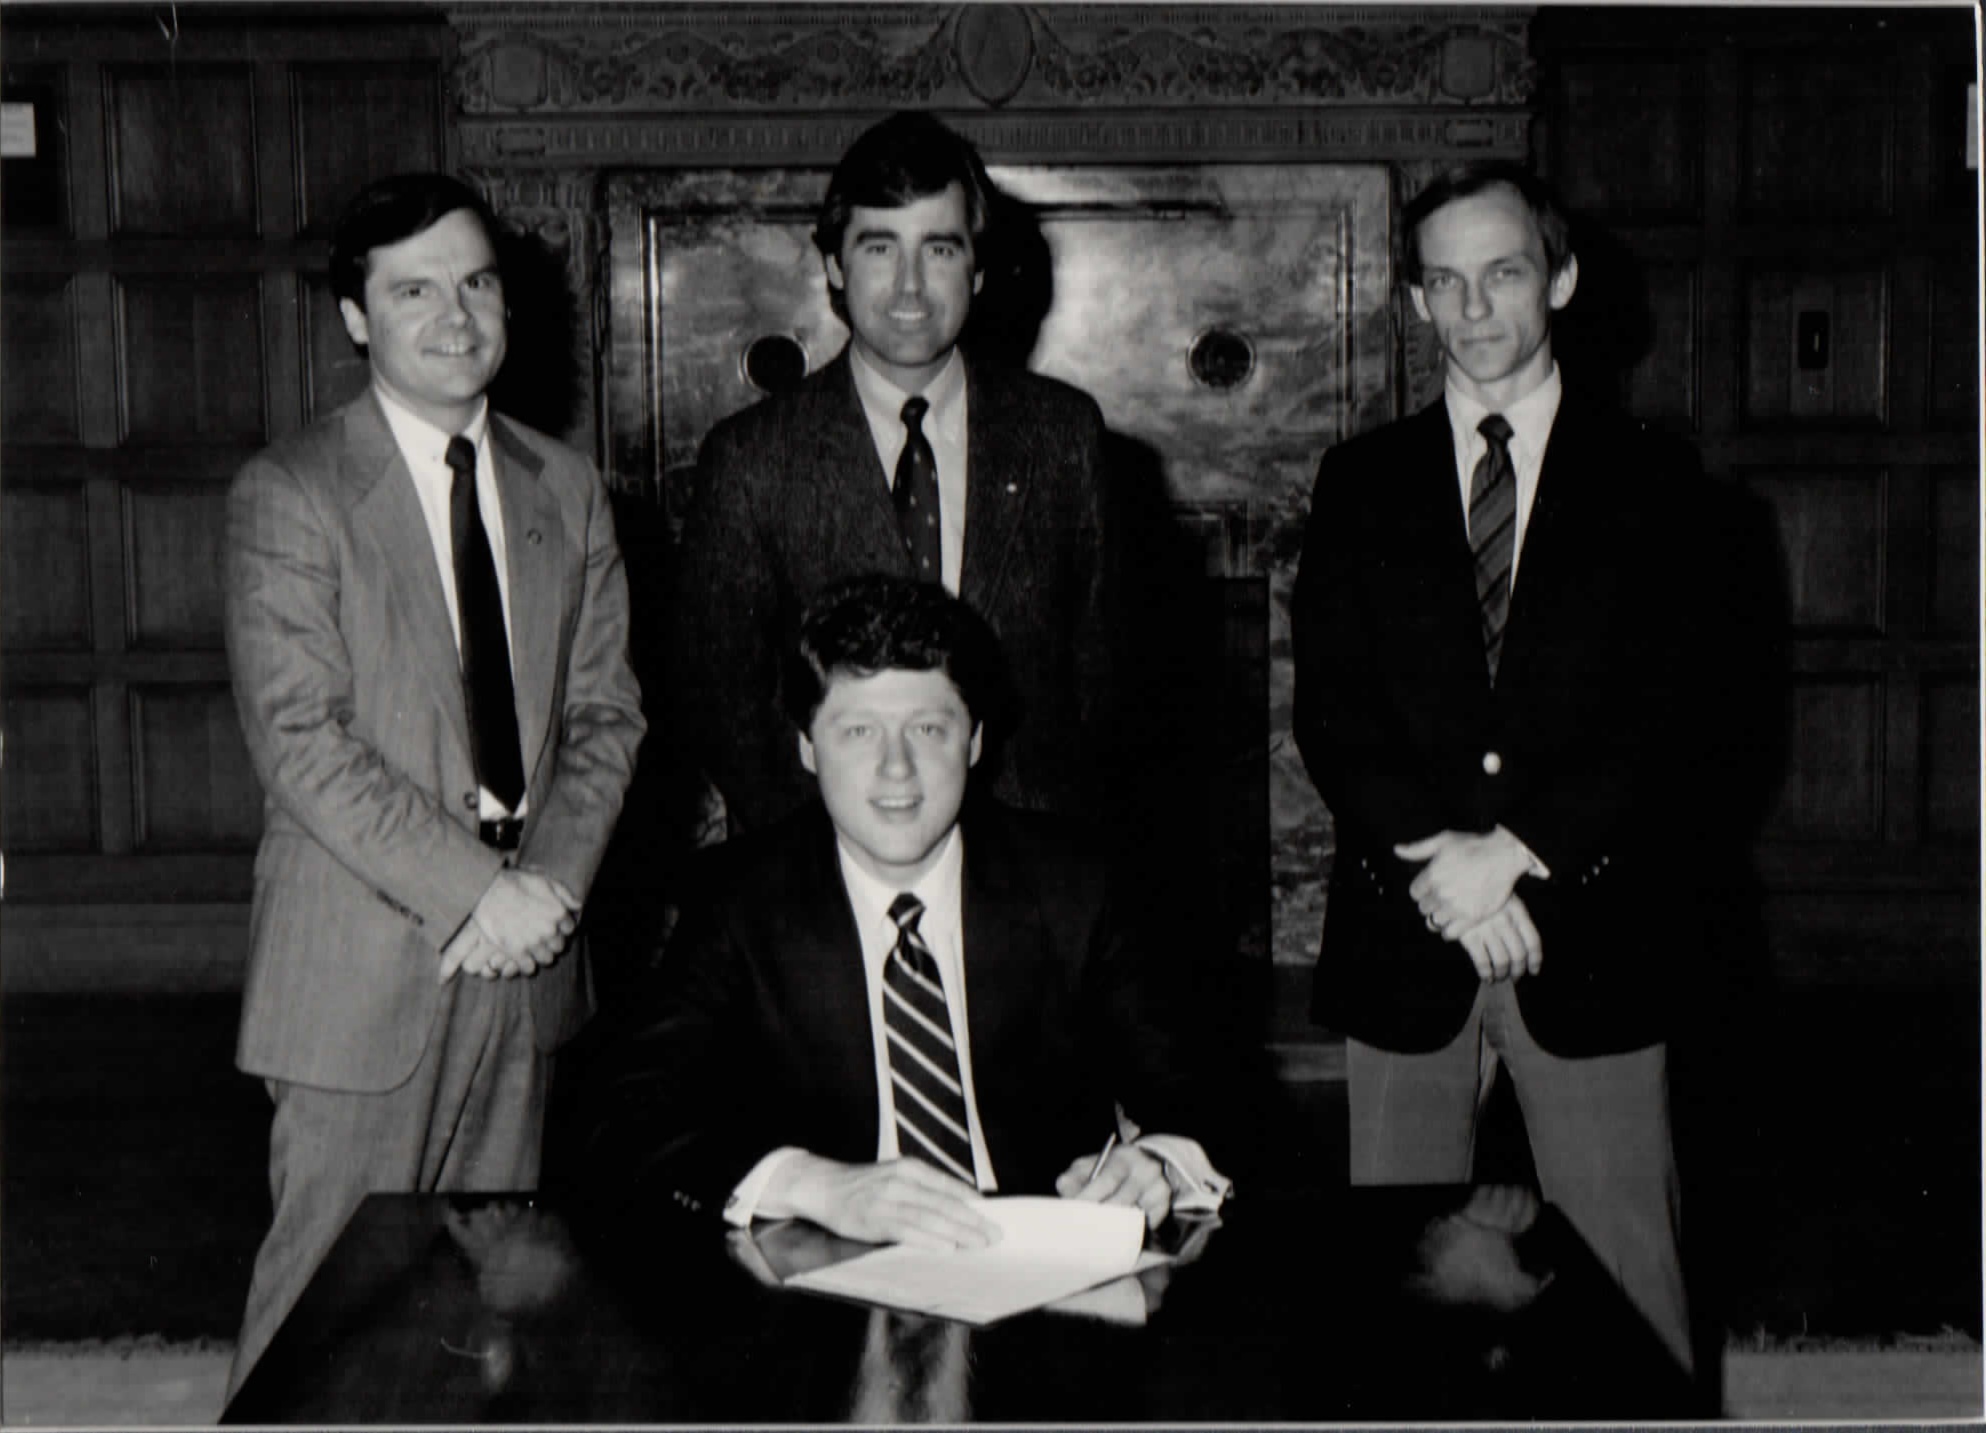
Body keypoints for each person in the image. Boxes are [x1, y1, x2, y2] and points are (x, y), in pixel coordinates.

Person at [222, 172, 645, 1397]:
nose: (454, 316)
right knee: (323, 1307)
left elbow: (607, 713)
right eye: (413, 290)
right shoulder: (292, 492)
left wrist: (548, 888)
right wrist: (476, 891)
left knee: (485, 1316)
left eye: (475, 282)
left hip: (527, 969)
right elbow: (303, 740)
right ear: (357, 318)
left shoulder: (565, 487)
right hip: (366, 968)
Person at [1290, 161, 1709, 1374]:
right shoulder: (1358, 483)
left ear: (1562, 279)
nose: (1475, 309)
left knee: (1637, 1273)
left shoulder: (1653, 481)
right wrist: (1447, 876)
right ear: (1417, 301)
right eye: (1447, 282)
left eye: (1505, 273)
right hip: (1403, 935)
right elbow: (1334, 711)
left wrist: (1515, 857)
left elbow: (1669, 717)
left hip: (1592, 931)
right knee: (1402, 1283)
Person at [582, 575, 1226, 1246]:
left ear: (974, 740)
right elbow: (622, 1120)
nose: (897, 768)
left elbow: (1209, 1088)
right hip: (820, 1289)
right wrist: (810, 1183)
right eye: (858, 730)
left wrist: (1158, 1162)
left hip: (1041, 1273)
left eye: (927, 727)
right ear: (807, 746)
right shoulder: (741, 903)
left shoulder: (1078, 884)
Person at [670, 110, 1114, 835]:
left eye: (939, 249)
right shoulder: (753, 458)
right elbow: (726, 704)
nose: (911, 287)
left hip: (1030, 873)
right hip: (827, 874)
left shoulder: (1064, 435)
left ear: (977, 265)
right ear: (836, 267)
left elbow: (1101, 682)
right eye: (880, 248)